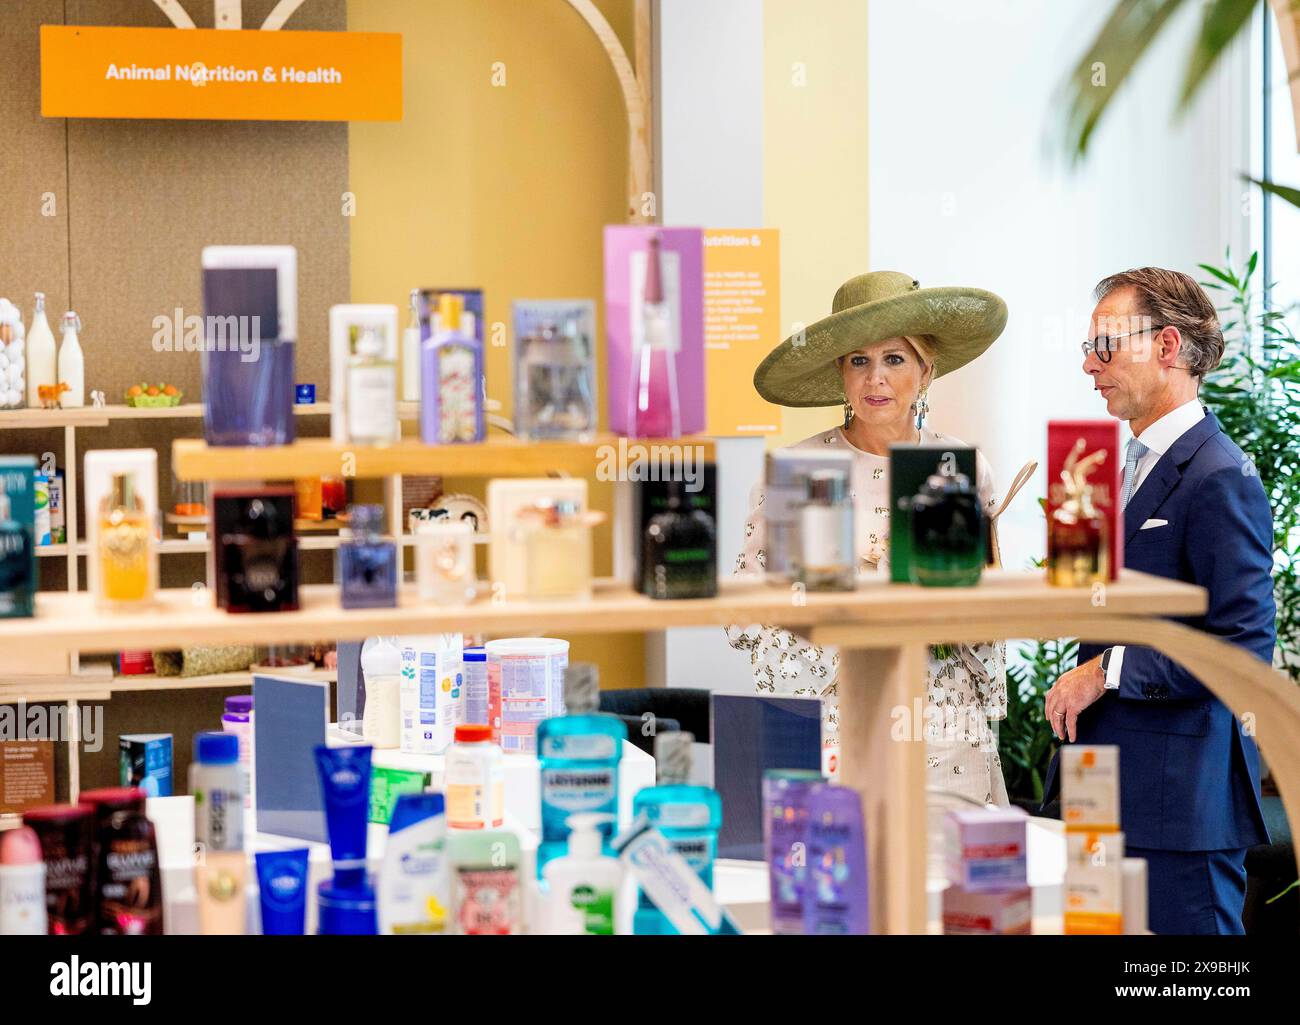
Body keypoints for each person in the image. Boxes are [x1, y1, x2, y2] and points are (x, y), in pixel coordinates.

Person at [1041, 267, 1273, 934]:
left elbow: (1243, 649)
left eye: (1105, 346)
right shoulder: (1120, 466)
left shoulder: (1220, 475)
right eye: (1087, 348)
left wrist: (1108, 669)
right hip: (1104, 787)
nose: (1089, 365)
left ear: (1167, 346)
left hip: (1180, 806)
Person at [727, 270, 1013, 805]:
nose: (875, 379)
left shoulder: (964, 468)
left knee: (944, 880)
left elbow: (991, 608)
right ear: (840, 372)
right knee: (844, 876)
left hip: (946, 733)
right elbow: (749, 612)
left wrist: (955, 618)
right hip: (838, 724)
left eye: (894, 359)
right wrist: (843, 662)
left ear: (925, 372)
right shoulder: (797, 469)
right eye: (859, 361)